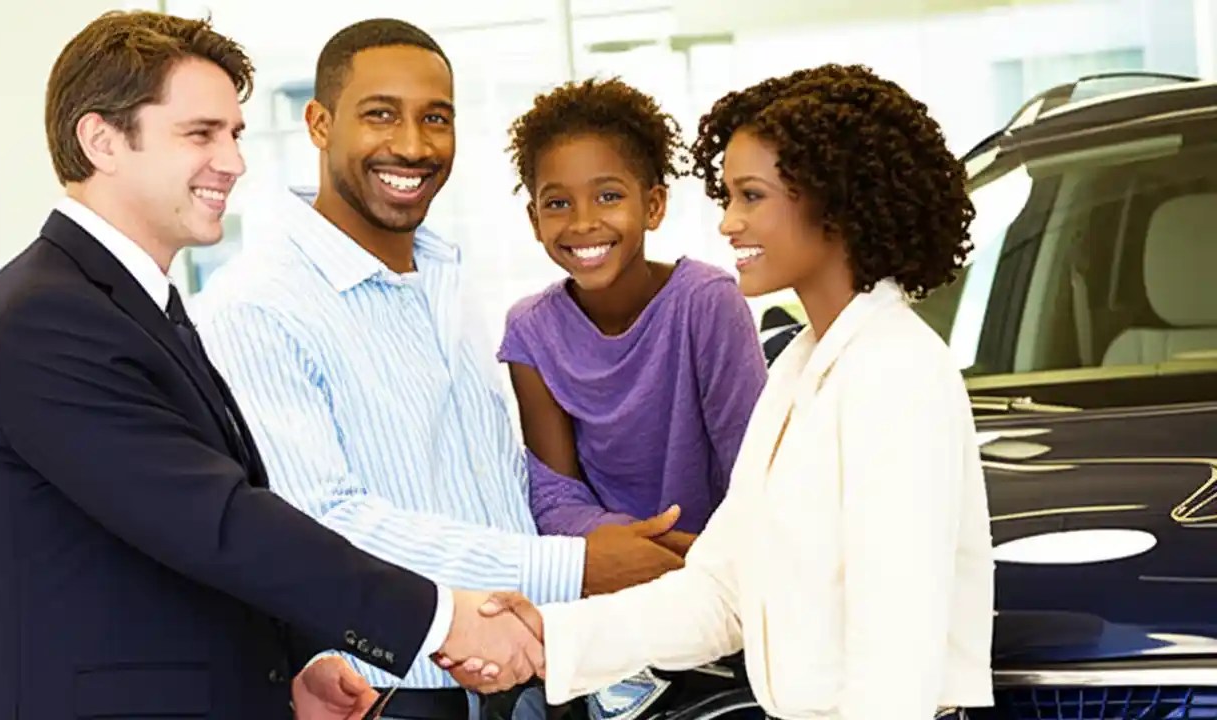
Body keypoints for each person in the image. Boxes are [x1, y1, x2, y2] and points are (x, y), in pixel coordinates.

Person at [0, 12, 539, 720]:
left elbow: (181, 537)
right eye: (200, 134)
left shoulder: (137, 302)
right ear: (101, 140)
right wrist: (440, 619)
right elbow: (219, 521)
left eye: (234, 133)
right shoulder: (47, 318)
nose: (233, 161)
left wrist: (296, 662)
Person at [452, 64, 997, 720]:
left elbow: (896, 654)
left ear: (834, 201)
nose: (728, 224)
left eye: (751, 196)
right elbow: (724, 591)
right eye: (728, 197)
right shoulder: (802, 371)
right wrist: (549, 637)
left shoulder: (896, 373)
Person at [191, 19, 684, 720]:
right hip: (390, 699)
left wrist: (606, 541)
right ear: (320, 123)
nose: (414, 145)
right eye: (381, 114)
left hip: (523, 682)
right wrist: (578, 567)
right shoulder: (254, 305)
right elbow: (326, 523)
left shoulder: (442, 274)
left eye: (436, 118)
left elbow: (489, 480)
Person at [498, 78, 767, 549]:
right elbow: (556, 497)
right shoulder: (531, 330)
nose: (582, 223)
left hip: (721, 564)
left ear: (654, 205)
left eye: (608, 196)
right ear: (534, 220)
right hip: (608, 570)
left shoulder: (706, 302)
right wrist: (635, 549)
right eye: (558, 203)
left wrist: (695, 557)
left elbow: (754, 474)